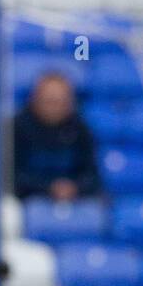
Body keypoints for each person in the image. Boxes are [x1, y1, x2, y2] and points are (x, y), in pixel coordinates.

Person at [8, 72, 102, 202]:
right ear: (35, 98)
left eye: (61, 102)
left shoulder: (80, 128)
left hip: (75, 202)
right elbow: (11, 176)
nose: (55, 108)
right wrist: (48, 188)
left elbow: (92, 175)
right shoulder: (16, 128)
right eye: (50, 101)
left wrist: (74, 188)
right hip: (25, 201)